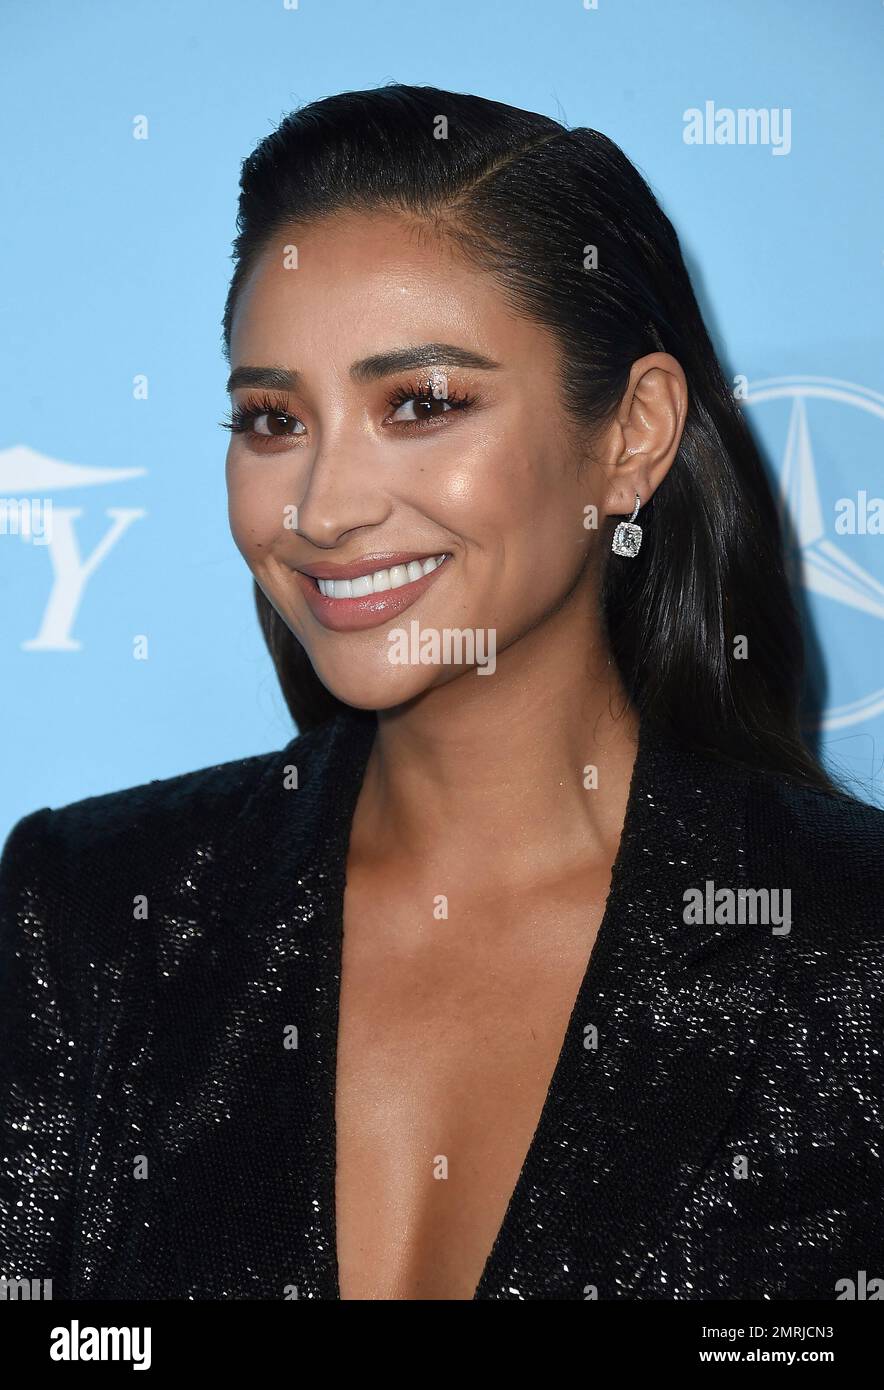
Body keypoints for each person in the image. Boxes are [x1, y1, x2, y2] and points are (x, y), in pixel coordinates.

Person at [1, 83, 882, 1302]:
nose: (320, 507)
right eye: (272, 418)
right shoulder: (92, 911)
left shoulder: (848, 939)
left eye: (419, 404)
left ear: (630, 435)